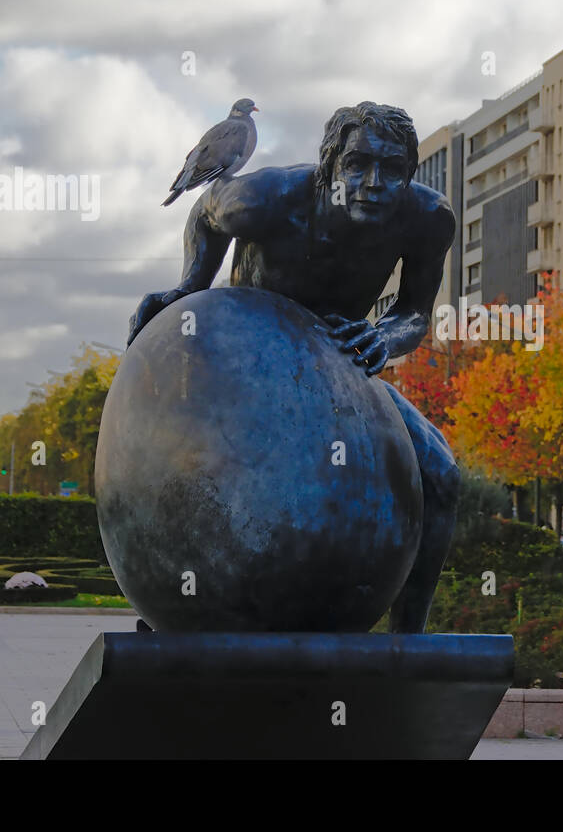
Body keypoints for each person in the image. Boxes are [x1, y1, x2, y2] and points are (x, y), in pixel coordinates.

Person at [129, 102, 457, 634]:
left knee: (440, 474)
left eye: (392, 170)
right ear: (329, 165)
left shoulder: (427, 217)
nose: (374, 184)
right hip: (252, 358)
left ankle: (407, 645)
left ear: (409, 174)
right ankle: (176, 601)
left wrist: (382, 336)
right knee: (219, 473)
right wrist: (191, 286)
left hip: (337, 364)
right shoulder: (268, 197)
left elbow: (414, 312)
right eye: (358, 164)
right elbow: (206, 212)